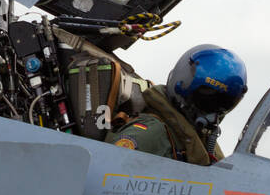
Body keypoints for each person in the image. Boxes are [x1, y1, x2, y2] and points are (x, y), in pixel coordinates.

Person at [106, 44, 247, 165]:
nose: (213, 112)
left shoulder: (204, 141)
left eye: (223, 103)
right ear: (183, 83)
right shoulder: (149, 134)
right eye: (207, 99)